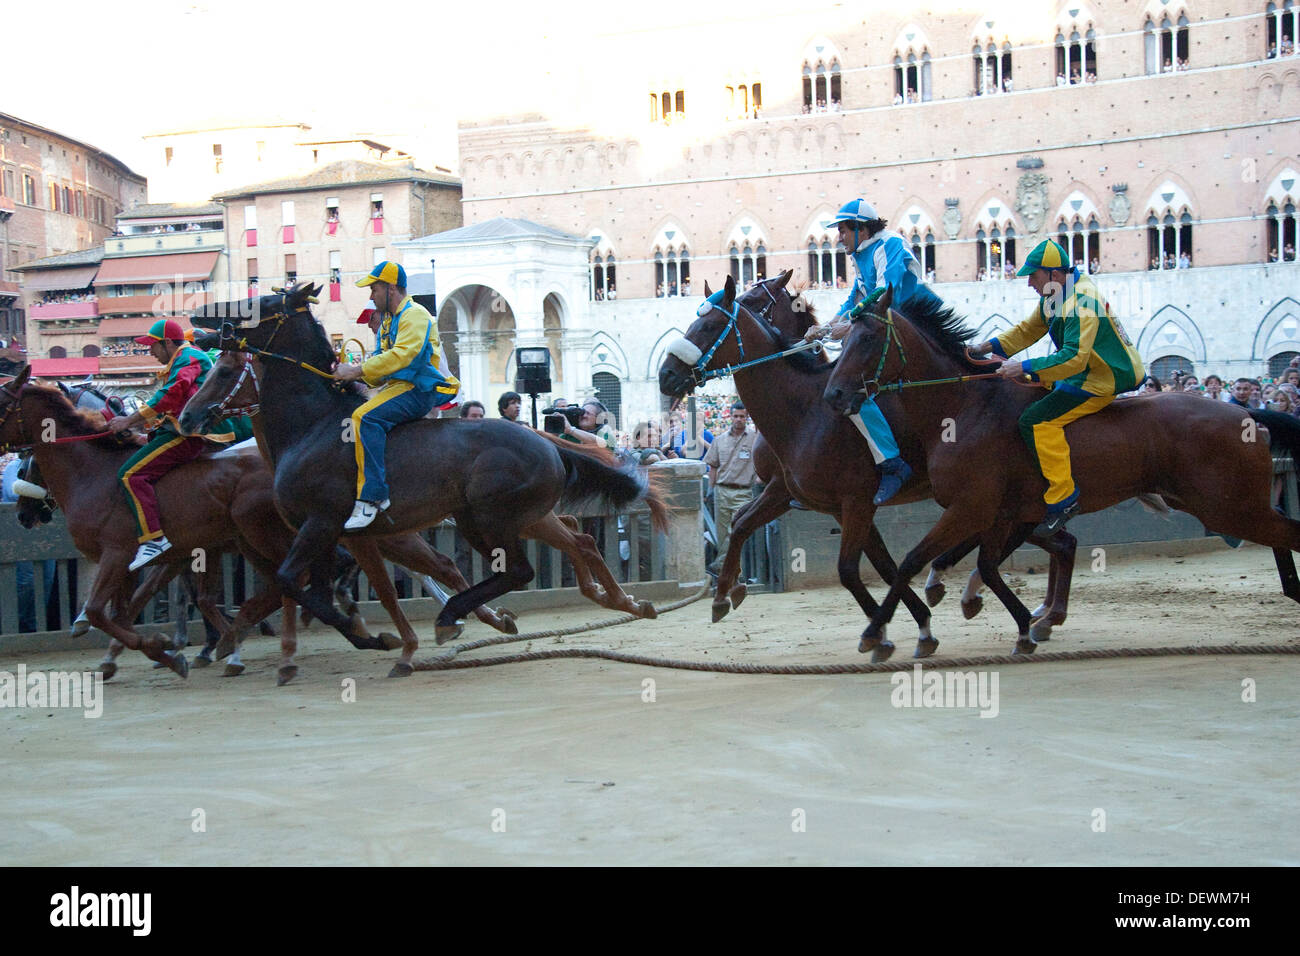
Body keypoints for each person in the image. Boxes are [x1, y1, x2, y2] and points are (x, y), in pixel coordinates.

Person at [970, 238, 1144, 536]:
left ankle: (1064, 497)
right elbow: (1029, 330)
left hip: (1104, 378)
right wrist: (988, 346)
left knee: (1036, 421)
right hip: (1085, 371)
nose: (1029, 284)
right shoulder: (1056, 293)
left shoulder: (1083, 302)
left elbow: (1075, 359)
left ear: (1054, 274)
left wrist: (1023, 367)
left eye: (1033, 276)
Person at [805, 198, 944, 503]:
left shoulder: (889, 244)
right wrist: (827, 327)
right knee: (850, 387)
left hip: (916, 323)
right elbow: (856, 297)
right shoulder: (860, 255)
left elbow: (885, 291)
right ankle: (890, 462)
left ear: (861, 229)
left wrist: (851, 322)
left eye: (843, 230)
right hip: (885, 328)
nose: (839, 236)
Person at [333, 261, 460, 530]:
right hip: (399, 388)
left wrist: (355, 371)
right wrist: (348, 375)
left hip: (418, 390)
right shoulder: (389, 320)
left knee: (364, 417)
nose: (370, 296)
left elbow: (403, 356)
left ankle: (373, 497)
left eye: (374, 289)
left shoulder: (415, 315)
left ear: (391, 288)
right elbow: (382, 362)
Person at [108, 318, 242, 571]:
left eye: (152, 346)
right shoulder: (182, 358)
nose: (150, 351)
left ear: (167, 343)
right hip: (181, 431)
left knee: (129, 475)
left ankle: (153, 539)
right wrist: (141, 433)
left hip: (188, 436)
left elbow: (171, 395)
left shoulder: (188, 355)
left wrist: (128, 420)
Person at [702, 401, 757, 574]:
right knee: (721, 533)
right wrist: (709, 491)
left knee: (735, 531)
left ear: (746, 417)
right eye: (736, 416)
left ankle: (722, 566)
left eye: (742, 416)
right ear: (730, 417)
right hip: (721, 491)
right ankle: (732, 572)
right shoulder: (719, 440)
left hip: (744, 492)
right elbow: (713, 467)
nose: (739, 419)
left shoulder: (755, 439)